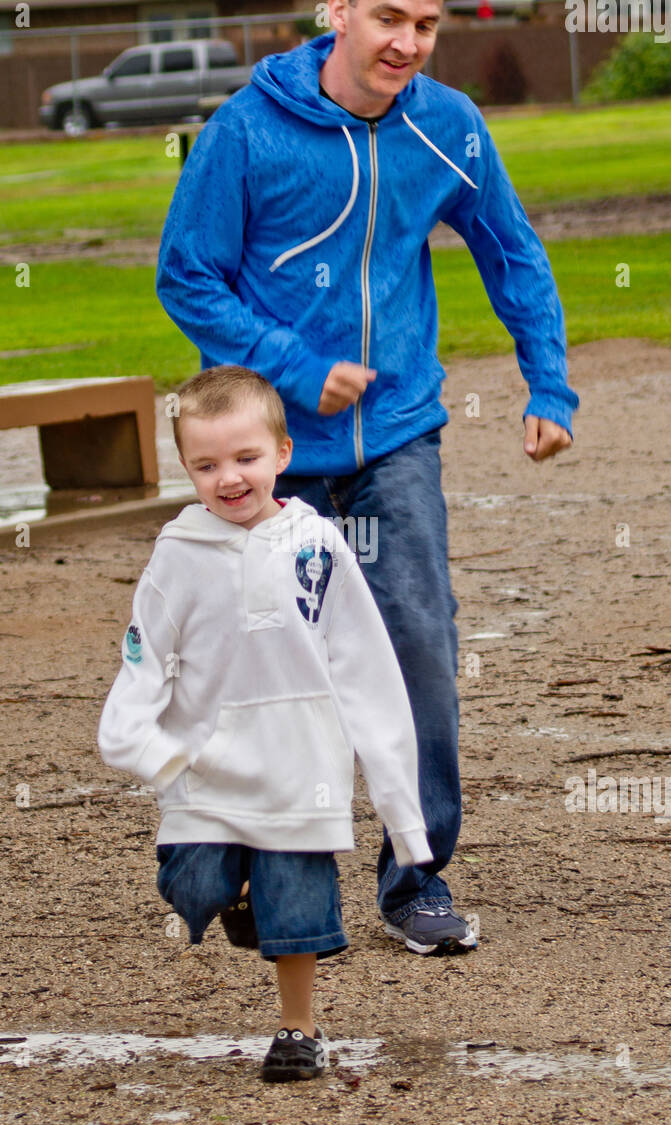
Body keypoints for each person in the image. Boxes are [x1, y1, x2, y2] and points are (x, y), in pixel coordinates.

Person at [155, 0, 579, 956]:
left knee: (418, 644)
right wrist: (296, 370)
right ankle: (247, 860)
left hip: (395, 439)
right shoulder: (248, 133)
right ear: (337, 11)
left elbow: (511, 252)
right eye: (389, 17)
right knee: (257, 660)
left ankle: (416, 873)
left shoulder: (451, 127)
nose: (408, 42)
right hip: (270, 456)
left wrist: (550, 382)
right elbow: (186, 274)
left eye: (427, 25)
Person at [97, 365, 433, 1082]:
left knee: (297, 913)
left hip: (299, 777)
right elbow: (142, 664)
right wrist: (156, 756)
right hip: (202, 777)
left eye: (246, 458)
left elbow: (367, 673)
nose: (229, 478)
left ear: (282, 453)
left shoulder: (317, 546)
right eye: (207, 464)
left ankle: (297, 1030)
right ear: (185, 468)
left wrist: (402, 820)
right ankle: (235, 891)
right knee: (192, 889)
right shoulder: (176, 556)